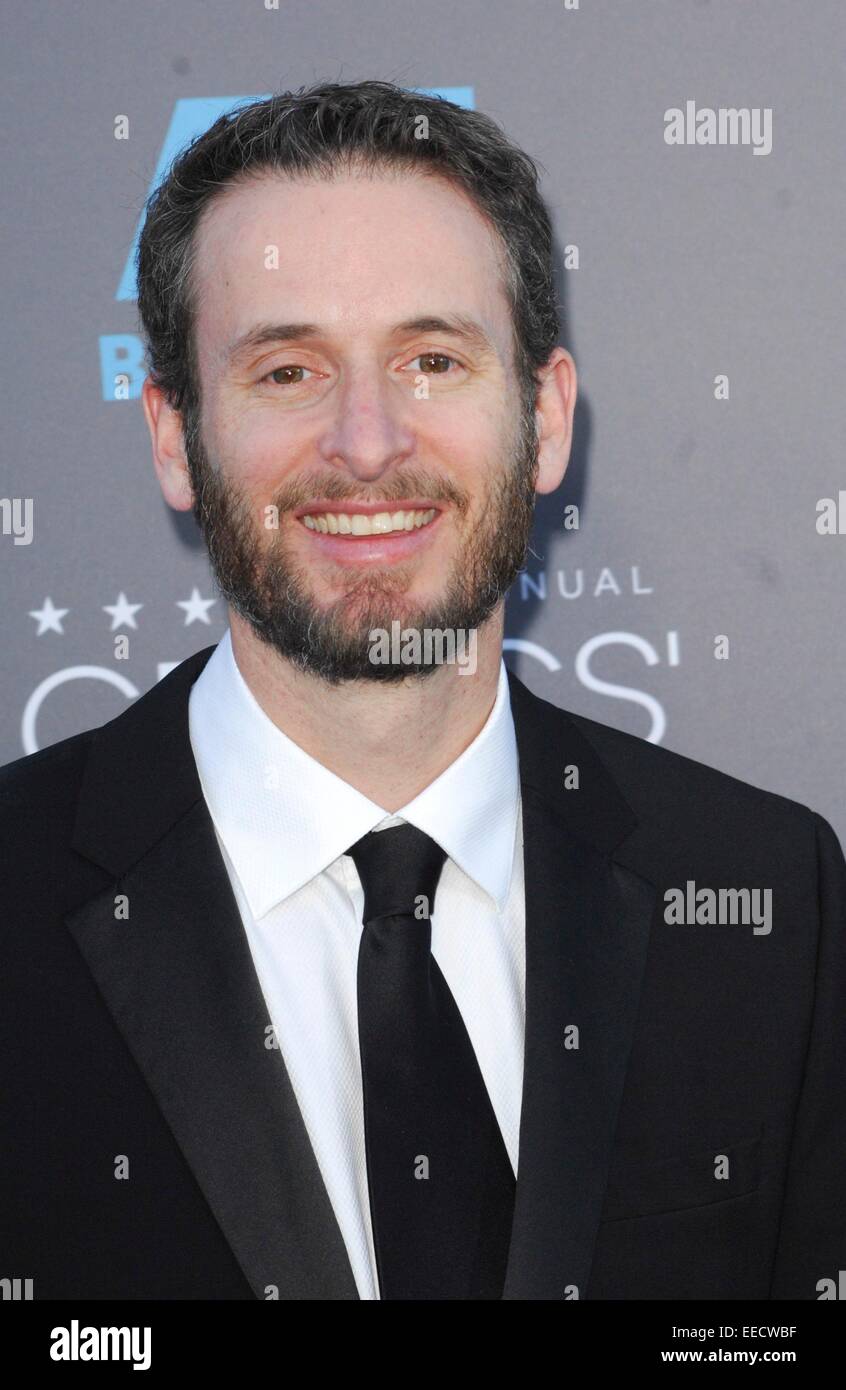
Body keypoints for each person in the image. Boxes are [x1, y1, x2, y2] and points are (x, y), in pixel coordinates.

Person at [1, 80, 844, 1301]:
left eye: (433, 359)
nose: (368, 441)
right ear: (175, 437)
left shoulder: (765, 897)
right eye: (286, 371)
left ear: (544, 418)